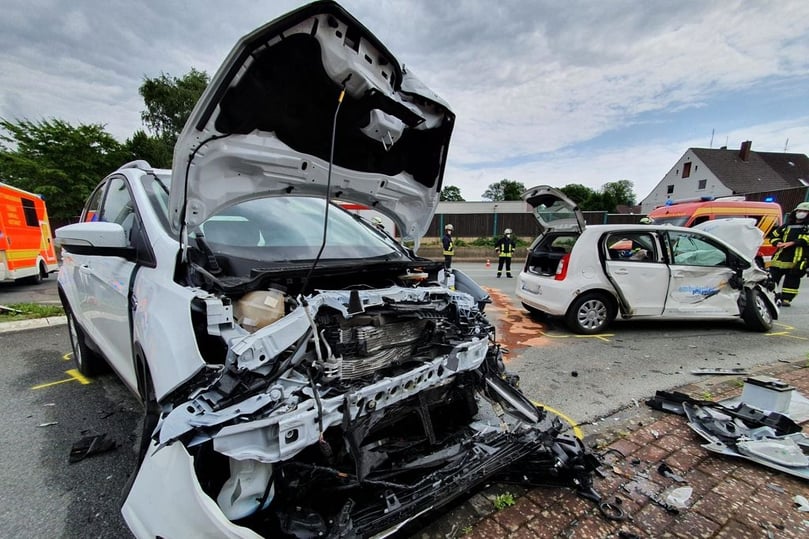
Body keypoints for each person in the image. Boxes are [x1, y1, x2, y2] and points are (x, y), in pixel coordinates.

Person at [767, 202, 809, 306]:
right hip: (780, 257)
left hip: (797, 259)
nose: (801, 213)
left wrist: (792, 243)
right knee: (772, 278)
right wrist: (778, 242)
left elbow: (806, 239)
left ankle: (786, 299)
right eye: (799, 211)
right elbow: (773, 236)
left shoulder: (807, 227)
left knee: (792, 281)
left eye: (804, 211)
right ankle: (770, 296)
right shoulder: (786, 226)